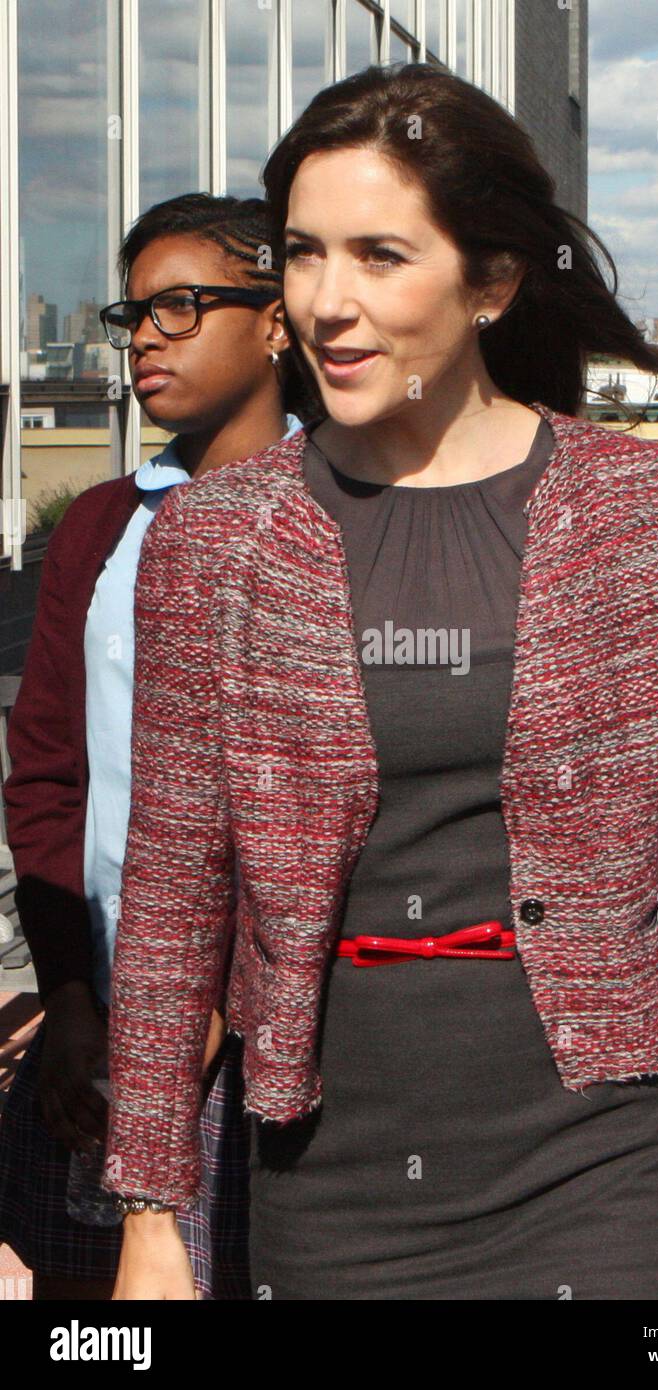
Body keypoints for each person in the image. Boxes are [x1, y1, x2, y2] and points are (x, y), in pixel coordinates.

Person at [102, 65, 658, 1301]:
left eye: (379, 255)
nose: (328, 303)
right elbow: (172, 883)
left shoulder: (640, 507)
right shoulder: (216, 539)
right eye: (304, 254)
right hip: (332, 1170)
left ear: (493, 283)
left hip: (602, 1143)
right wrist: (152, 1201)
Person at [0, 191, 307, 1300]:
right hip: (105, 1014)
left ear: (276, 320)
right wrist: (72, 994)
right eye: (130, 312)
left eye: (181, 307)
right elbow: (46, 772)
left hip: (275, 1039)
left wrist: (200, 1028)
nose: (143, 338)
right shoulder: (99, 524)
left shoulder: (340, 516)